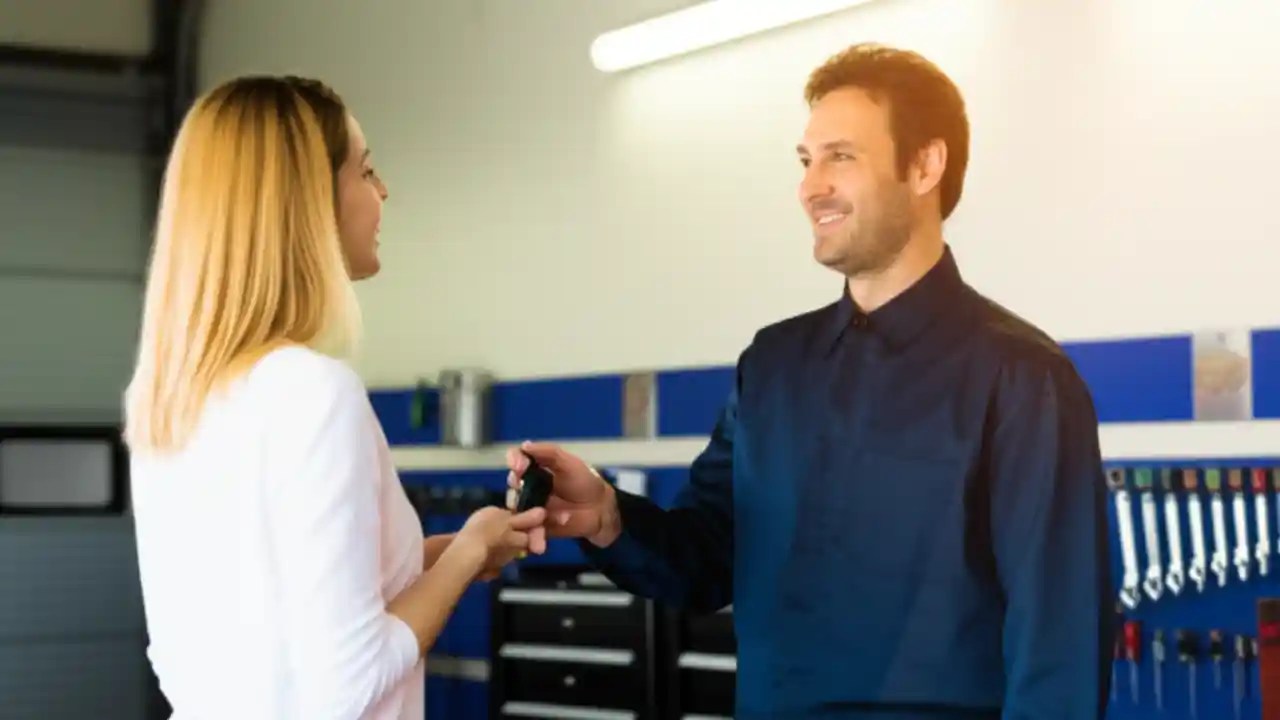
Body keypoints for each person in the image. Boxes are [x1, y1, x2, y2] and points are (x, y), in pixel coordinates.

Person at [507, 43, 1112, 719]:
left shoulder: (1022, 379)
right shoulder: (771, 366)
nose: (810, 185)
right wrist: (609, 517)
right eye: (805, 160)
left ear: (924, 165)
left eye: (840, 156)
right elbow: (708, 556)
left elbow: (1060, 650)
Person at [124, 75, 546, 720]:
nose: (383, 192)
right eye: (366, 170)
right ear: (304, 203)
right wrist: (463, 558)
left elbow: (277, 621)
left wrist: (468, 543)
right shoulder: (309, 391)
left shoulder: (172, 398)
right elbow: (347, 684)